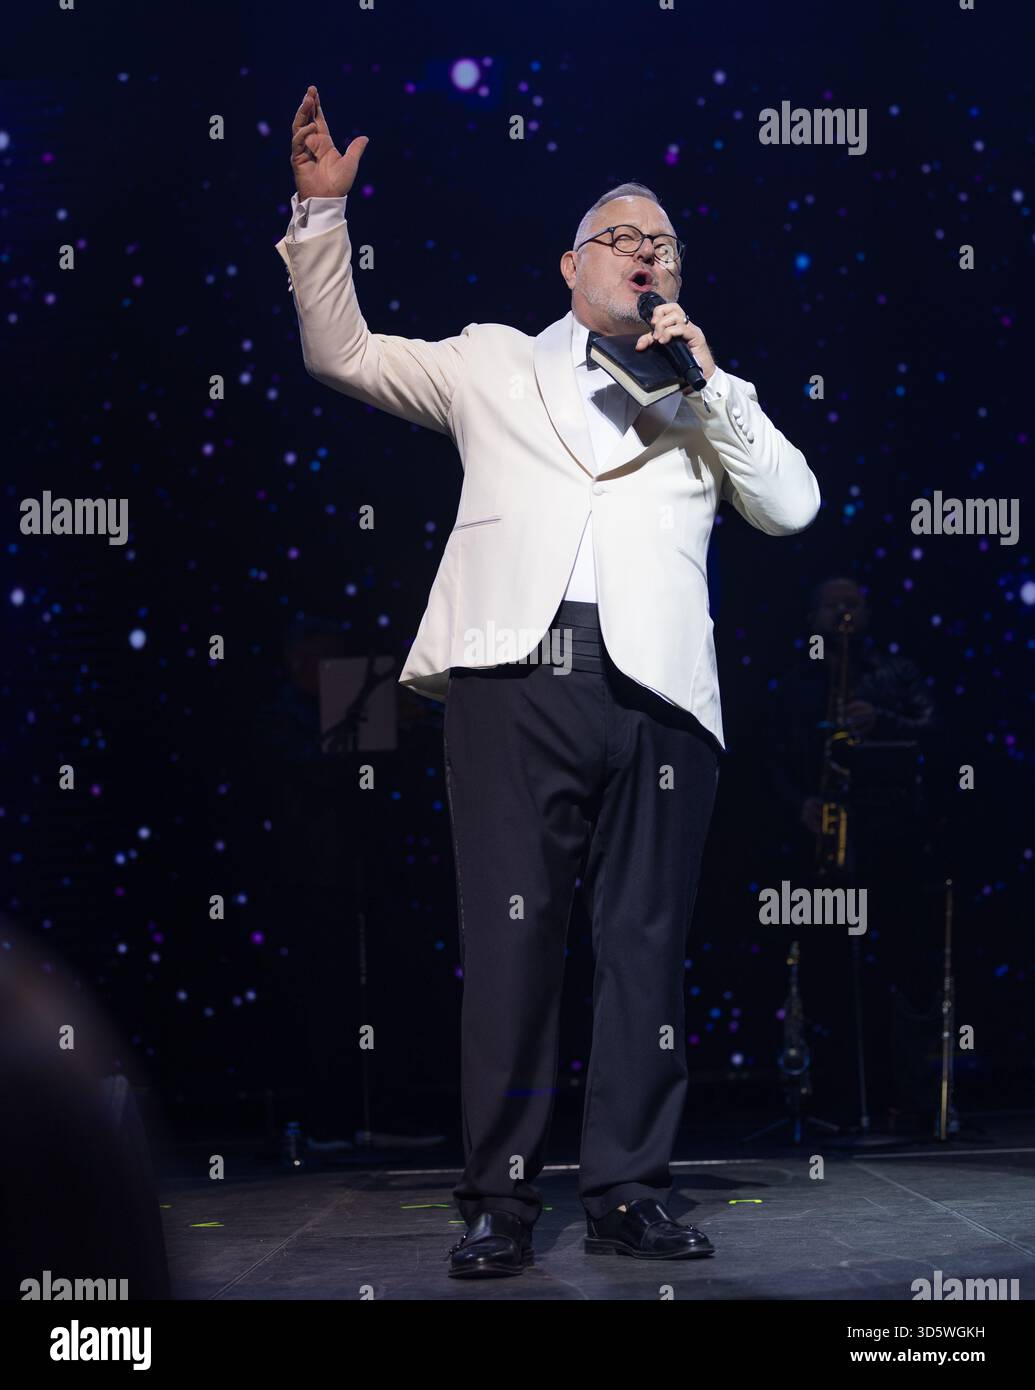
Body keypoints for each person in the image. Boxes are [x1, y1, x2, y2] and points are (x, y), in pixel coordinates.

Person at [277, 85, 820, 1277]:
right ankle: (502, 1201)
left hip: (662, 699)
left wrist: (713, 386)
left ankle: (628, 1188)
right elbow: (343, 352)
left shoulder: (704, 398)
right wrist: (322, 222)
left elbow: (793, 506)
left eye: (664, 242)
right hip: (517, 677)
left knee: (643, 949)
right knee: (513, 946)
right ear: (571, 265)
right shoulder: (491, 364)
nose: (647, 253)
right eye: (623, 238)